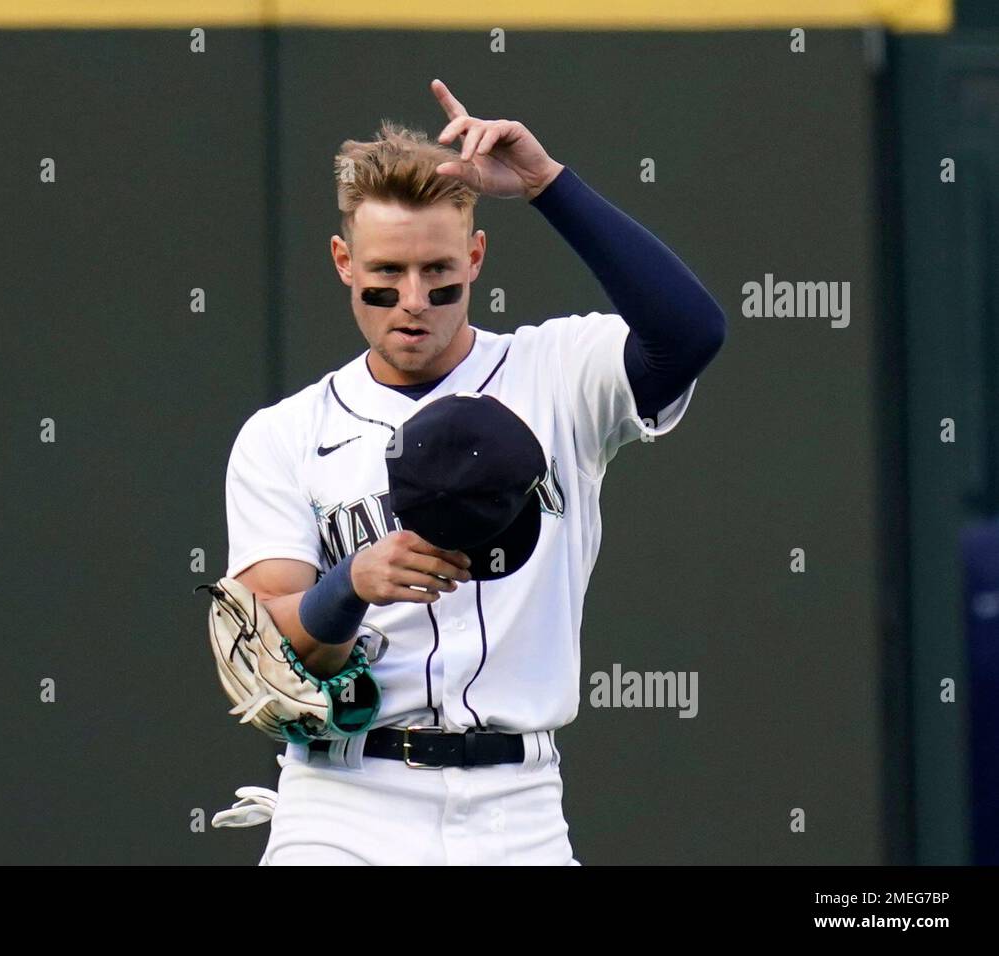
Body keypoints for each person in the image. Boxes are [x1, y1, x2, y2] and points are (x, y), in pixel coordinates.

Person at [220, 78, 726, 865]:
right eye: (387, 274)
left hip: (516, 808)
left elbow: (690, 332)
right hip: (345, 800)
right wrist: (347, 583)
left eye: (439, 273)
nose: (413, 300)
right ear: (343, 261)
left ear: (477, 255)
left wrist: (549, 187)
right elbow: (268, 647)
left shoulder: (555, 373)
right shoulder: (284, 434)